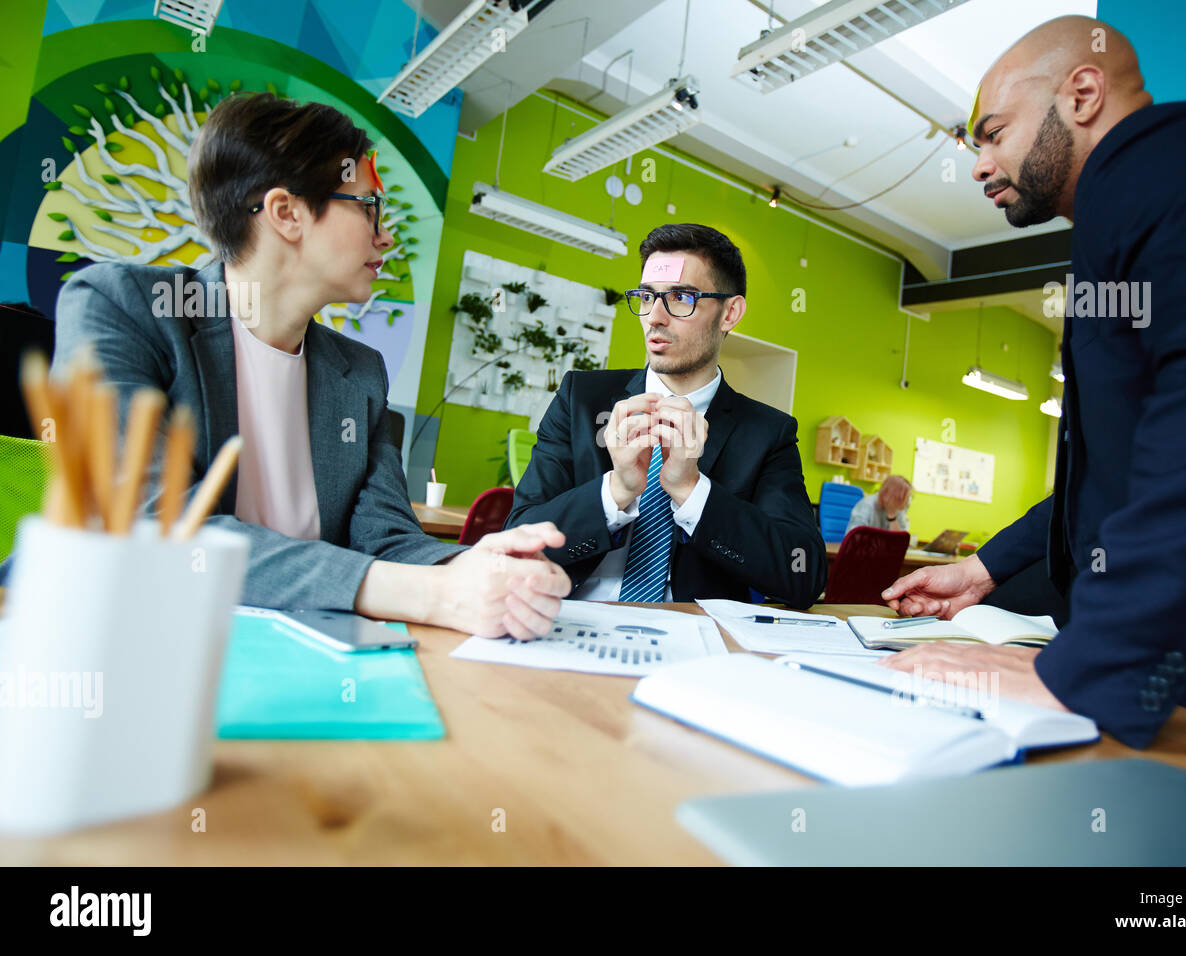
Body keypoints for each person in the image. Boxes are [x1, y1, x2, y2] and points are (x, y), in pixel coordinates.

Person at [880, 16, 1186, 747]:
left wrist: (1084, 670)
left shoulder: (1182, 167)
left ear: (1081, 94)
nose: (979, 164)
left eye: (994, 131)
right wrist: (985, 567)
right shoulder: (1134, 199)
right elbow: (1124, 467)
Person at [28, 93, 570, 639]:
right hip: (121, 641)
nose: (385, 236)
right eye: (368, 206)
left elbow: (385, 537)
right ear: (286, 213)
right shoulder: (123, 307)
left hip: (298, 649)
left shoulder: (360, 371)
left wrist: (474, 568)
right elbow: (147, 526)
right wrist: (429, 594)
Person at [506, 223, 827, 608]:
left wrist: (692, 492)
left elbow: (802, 572)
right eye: (647, 296)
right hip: (571, 619)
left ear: (730, 313)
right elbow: (517, 540)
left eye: (681, 297)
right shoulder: (581, 399)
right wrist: (617, 489)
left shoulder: (766, 433)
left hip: (693, 641)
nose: (655, 317)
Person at [847, 474, 911, 533]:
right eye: (901, 498)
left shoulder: (897, 509)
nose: (906, 503)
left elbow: (898, 540)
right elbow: (855, 537)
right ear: (889, 494)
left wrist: (892, 515)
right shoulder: (867, 506)